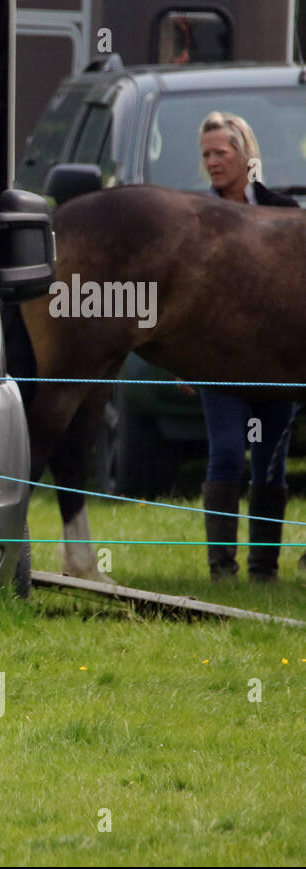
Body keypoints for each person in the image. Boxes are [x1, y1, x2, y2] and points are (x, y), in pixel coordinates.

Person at [196, 111, 299, 582]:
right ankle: (222, 569)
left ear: (245, 155)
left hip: (277, 368)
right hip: (218, 366)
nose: (213, 163)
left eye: (222, 152)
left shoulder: (284, 214)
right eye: (206, 155)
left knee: (269, 465)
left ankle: (264, 570)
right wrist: (182, 359)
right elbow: (185, 301)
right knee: (227, 455)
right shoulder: (194, 220)